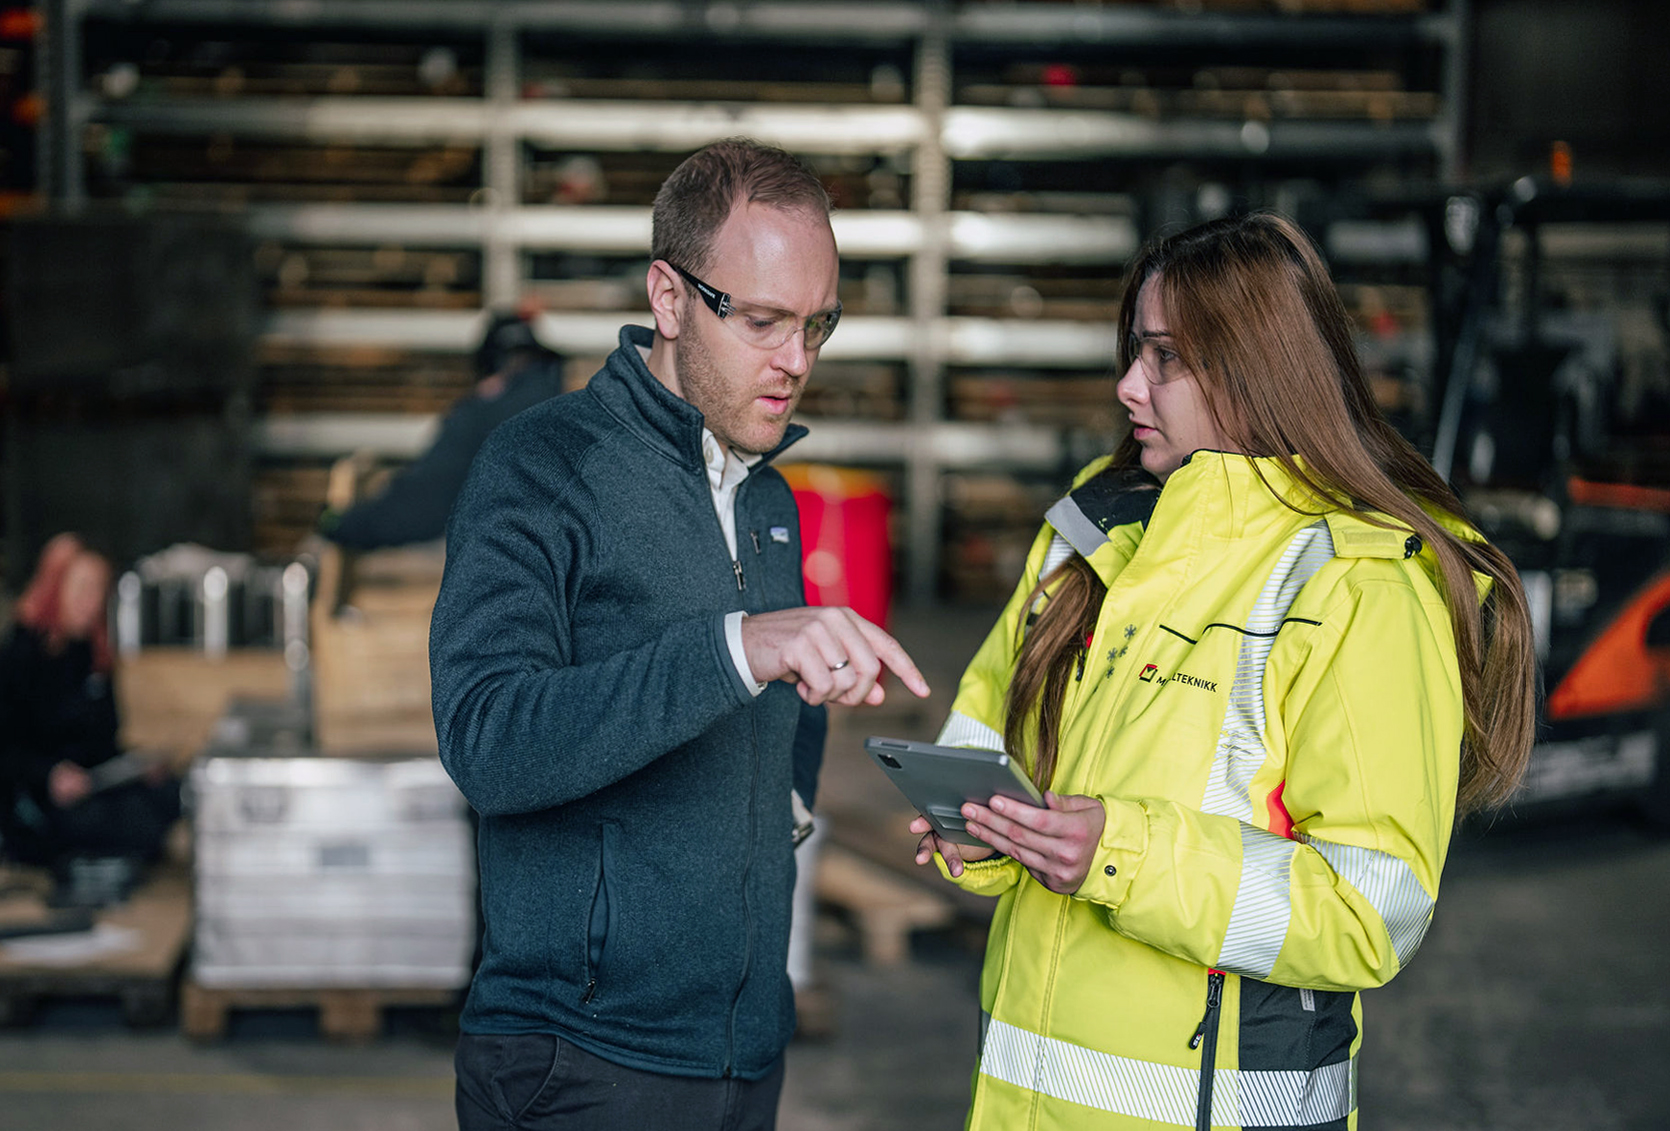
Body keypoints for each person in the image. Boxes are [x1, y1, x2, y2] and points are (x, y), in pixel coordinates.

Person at [911, 212, 1536, 1131]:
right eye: (1136, 350)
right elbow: (989, 734)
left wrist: (1117, 854)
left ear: (1256, 371)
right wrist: (982, 836)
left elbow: (1371, 910)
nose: (1129, 385)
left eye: (1166, 358)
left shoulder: (1362, 584)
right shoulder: (1094, 523)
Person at [429, 138, 930, 1131]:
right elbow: (485, 740)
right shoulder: (540, 468)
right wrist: (735, 650)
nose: (795, 361)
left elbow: (775, 720)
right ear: (667, 297)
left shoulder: (769, 501)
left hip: (745, 1052)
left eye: (817, 325)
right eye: (761, 321)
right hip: (577, 1061)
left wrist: (777, 807)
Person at [0, 537, 182, 871]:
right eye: (83, 588)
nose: (92, 601)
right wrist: (50, 774)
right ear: (56, 587)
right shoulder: (21, 653)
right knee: (134, 824)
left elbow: (103, 745)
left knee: (172, 792)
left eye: (99, 590)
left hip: (92, 786)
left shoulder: (92, 654)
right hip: (38, 800)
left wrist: (136, 767)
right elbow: (7, 749)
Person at [319, 310, 565, 550]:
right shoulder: (566, 411)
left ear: (494, 371)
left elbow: (422, 506)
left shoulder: (485, 418)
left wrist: (341, 524)